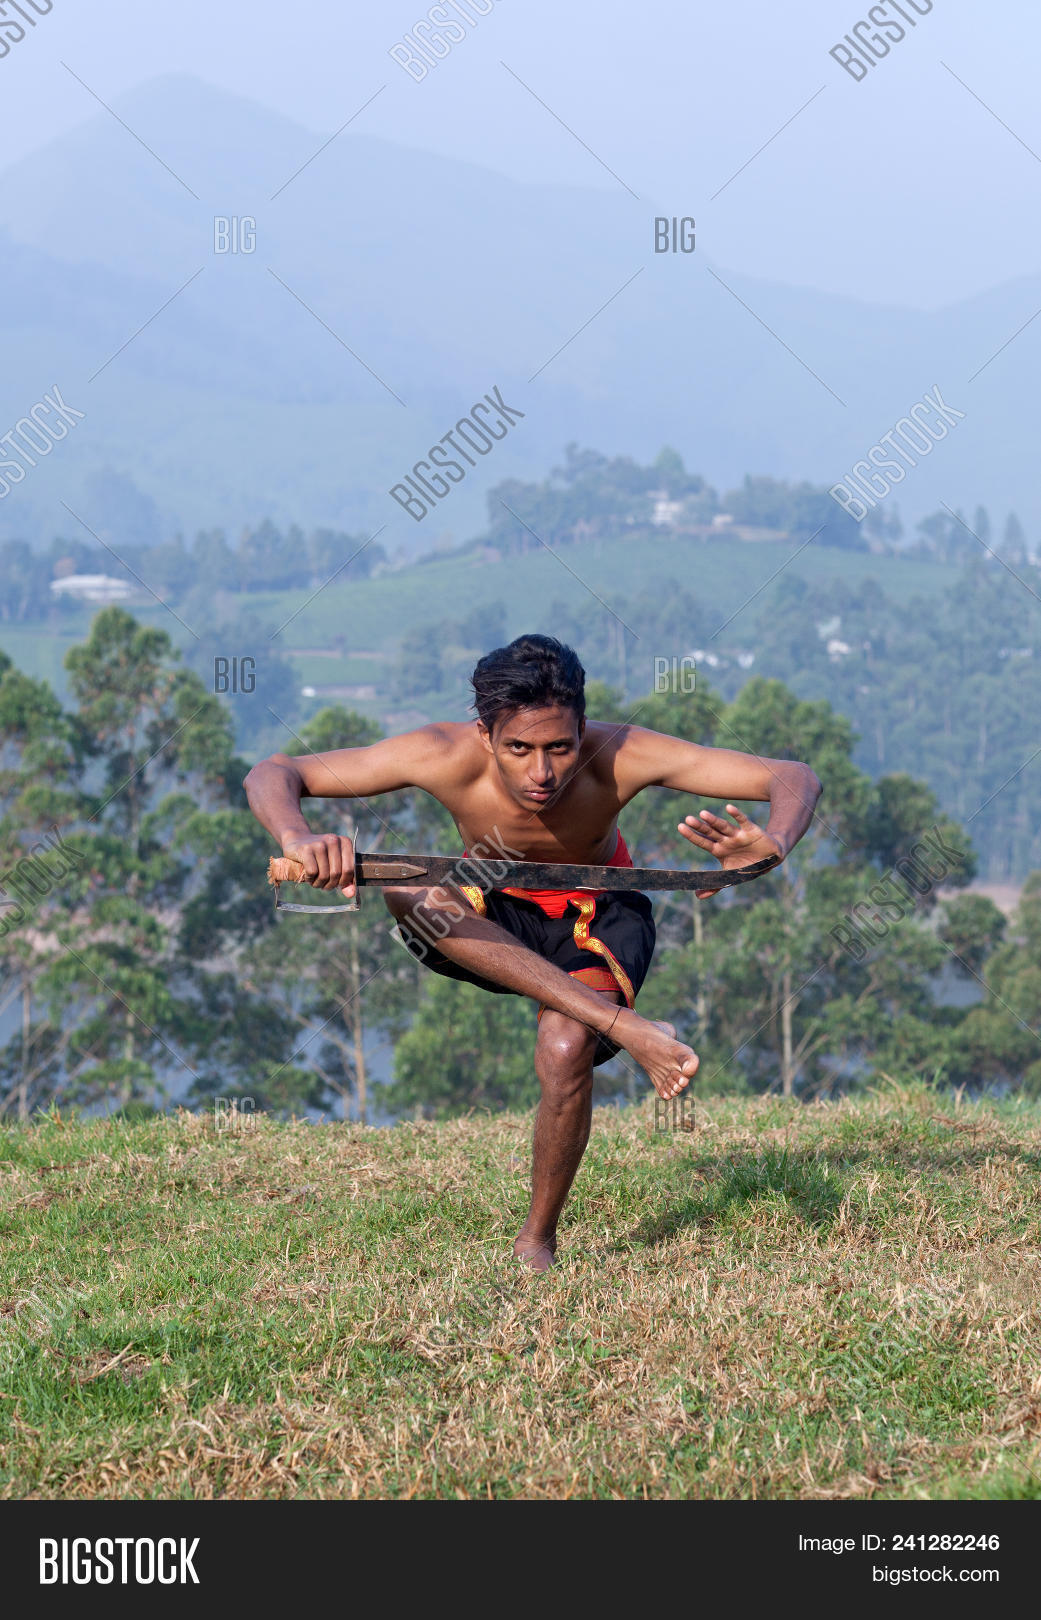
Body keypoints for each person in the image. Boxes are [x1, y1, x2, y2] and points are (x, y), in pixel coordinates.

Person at [244, 634, 821, 1269]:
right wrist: (297, 835)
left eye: (559, 748)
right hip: (489, 911)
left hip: (599, 912)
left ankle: (537, 1241)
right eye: (518, 749)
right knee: (409, 886)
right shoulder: (440, 753)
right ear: (485, 736)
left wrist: (774, 842)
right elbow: (275, 771)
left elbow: (792, 776)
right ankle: (627, 1029)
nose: (541, 773)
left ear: (582, 731)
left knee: (566, 1047)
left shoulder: (623, 752)